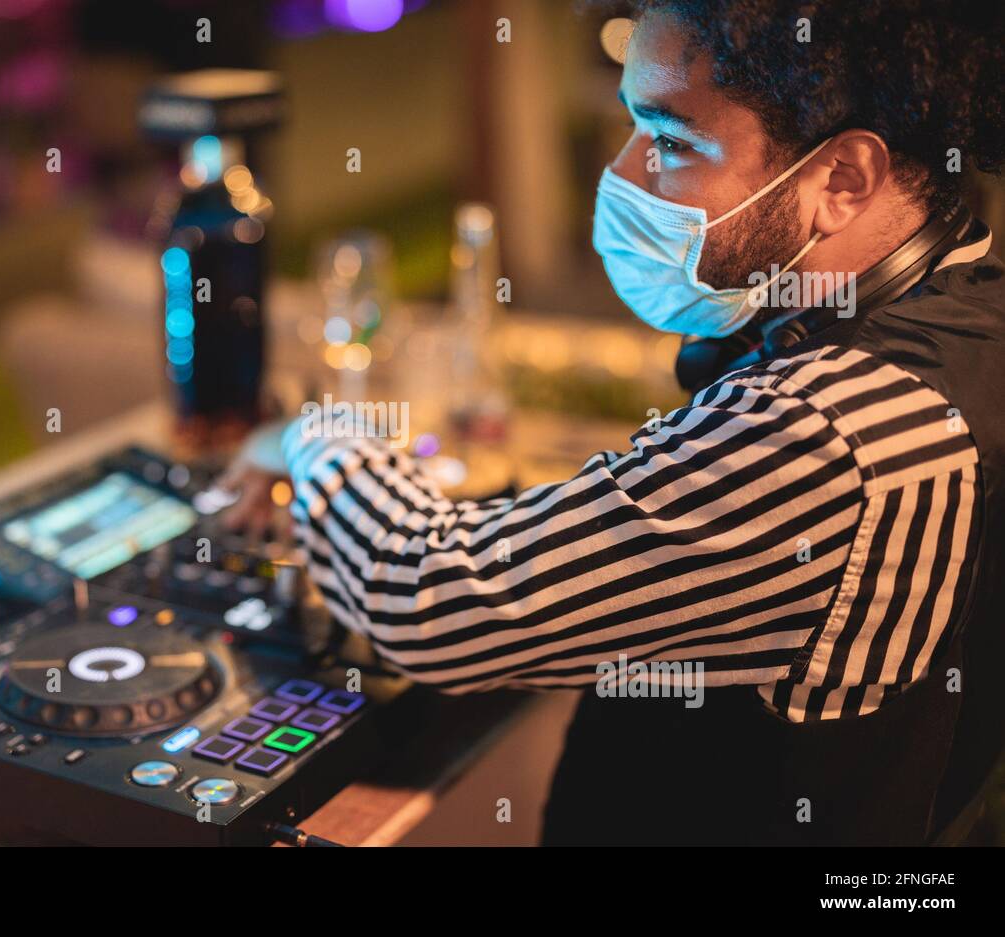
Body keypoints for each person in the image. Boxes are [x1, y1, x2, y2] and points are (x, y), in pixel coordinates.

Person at [220, 0, 1005, 844]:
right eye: (632, 127)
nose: (625, 175)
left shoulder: (831, 429)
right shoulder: (967, 297)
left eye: (671, 141)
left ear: (841, 180)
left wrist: (314, 438)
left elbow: (430, 600)